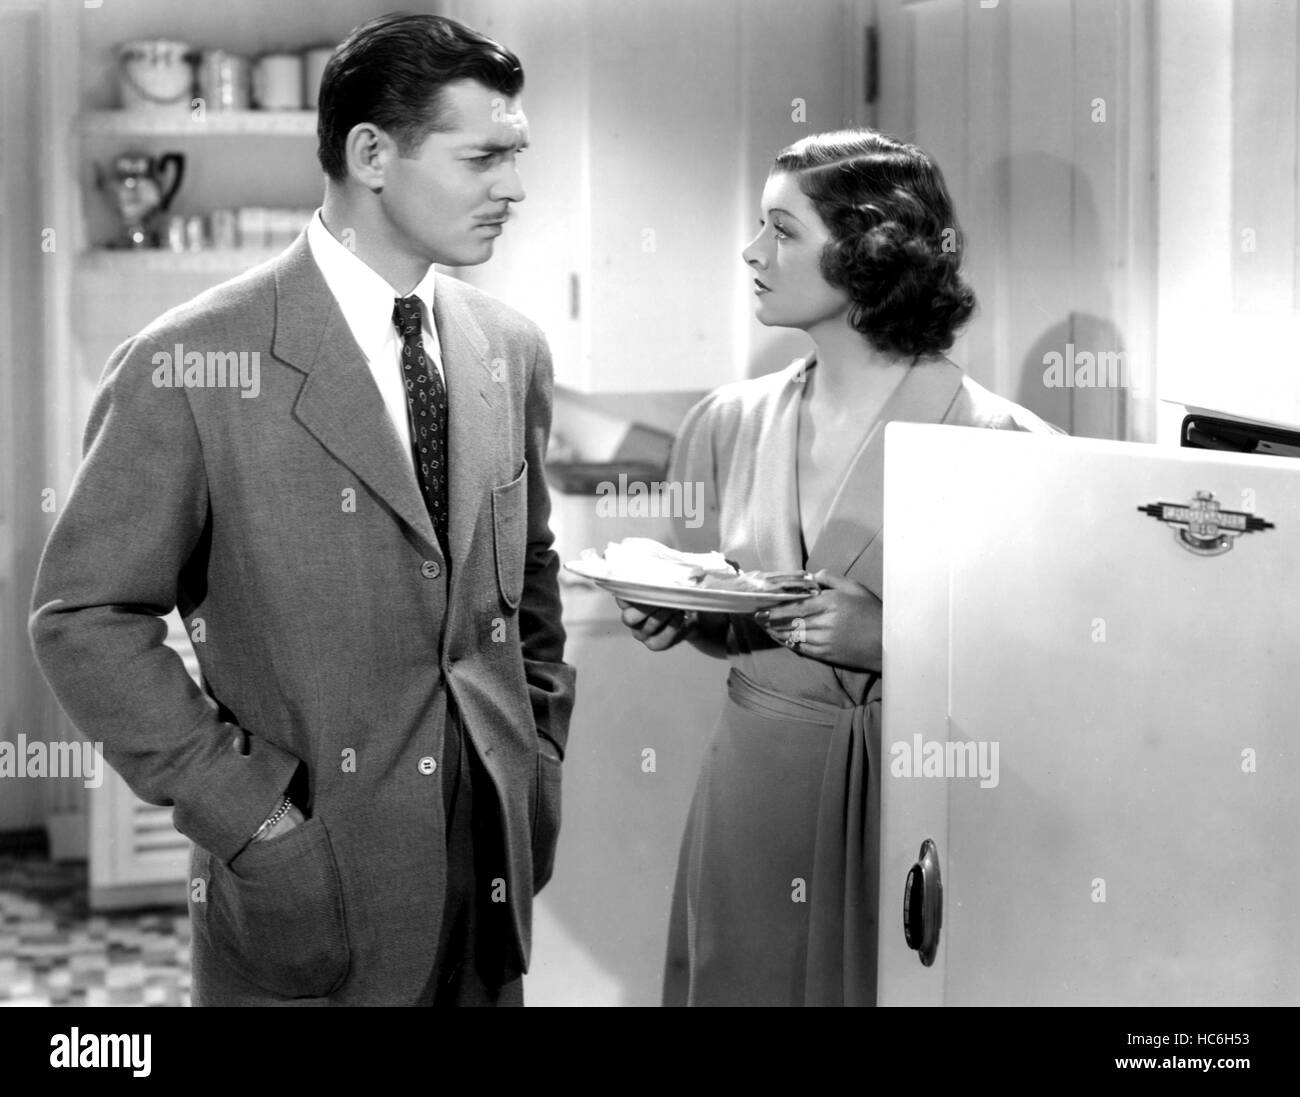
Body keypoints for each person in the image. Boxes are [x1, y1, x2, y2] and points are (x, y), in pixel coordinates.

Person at [28, 12, 574, 1006]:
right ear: (371, 153)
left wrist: (536, 746)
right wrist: (250, 813)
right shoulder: (189, 361)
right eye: (485, 155)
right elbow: (83, 618)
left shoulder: (513, 347)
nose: (515, 186)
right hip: (313, 887)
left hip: (490, 879)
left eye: (517, 155)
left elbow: (528, 570)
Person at [618, 129, 1062, 1006]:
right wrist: (687, 613)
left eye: (781, 231)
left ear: (869, 253)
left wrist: (892, 641)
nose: (751, 252)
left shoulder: (1004, 446)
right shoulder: (727, 422)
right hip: (755, 789)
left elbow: (1047, 684)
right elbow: (745, 619)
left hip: (916, 801)